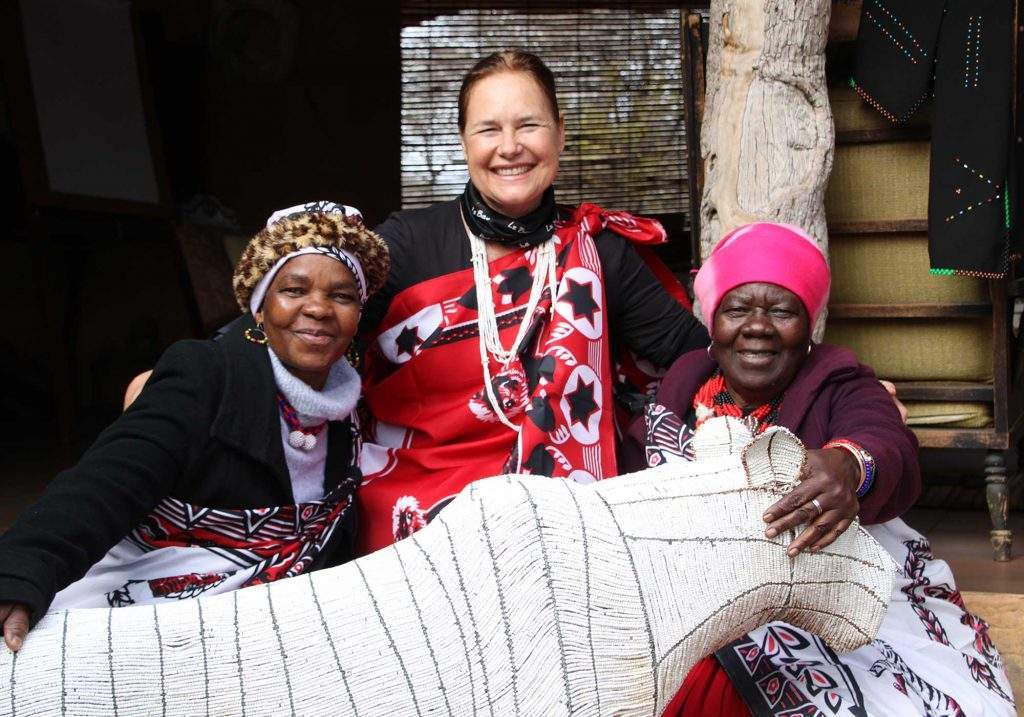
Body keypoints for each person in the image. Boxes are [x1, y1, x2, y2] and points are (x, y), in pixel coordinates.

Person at [623, 222, 1016, 716]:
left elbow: (884, 439)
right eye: (737, 308)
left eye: (781, 310)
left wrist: (849, 464)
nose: (758, 327)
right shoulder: (679, 391)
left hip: (823, 587)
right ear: (713, 320)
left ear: (808, 323)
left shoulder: (839, 381)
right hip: (695, 596)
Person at [355, 49, 709, 553]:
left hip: (558, 516)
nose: (510, 147)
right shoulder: (407, 245)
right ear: (463, 142)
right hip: (415, 516)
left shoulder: (596, 249)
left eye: (529, 125)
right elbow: (318, 337)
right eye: (488, 130)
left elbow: (694, 357)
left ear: (560, 134)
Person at [0, 203, 389, 653]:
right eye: (293, 290)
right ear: (260, 308)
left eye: (341, 296)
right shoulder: (207, 375)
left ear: (358, 316)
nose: (318, 309)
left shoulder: (352, 414)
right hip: (144, 598)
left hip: (264, 620)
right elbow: (110, 479)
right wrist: (22, 570)